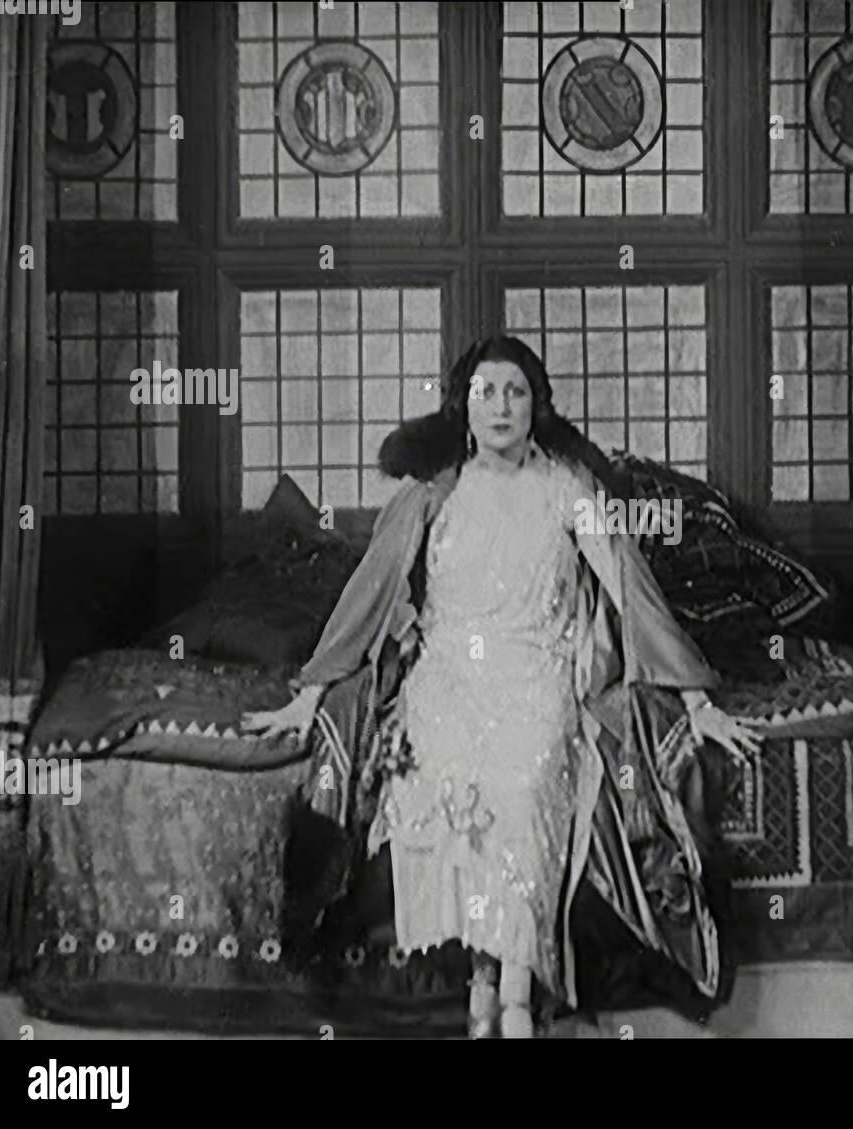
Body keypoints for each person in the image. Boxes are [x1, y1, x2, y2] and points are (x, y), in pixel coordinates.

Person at [243, 335, 761, 1038]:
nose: (500, 406)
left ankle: (509, 990)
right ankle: (491, 982)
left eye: (515, 391)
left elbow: (628, 586)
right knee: (451, 779)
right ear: (463, 406)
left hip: (538, 673)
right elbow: (371, 590)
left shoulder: (568, 488)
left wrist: (693, 696)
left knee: (522, 787)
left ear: (535, 405)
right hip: (447, 678)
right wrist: (315, 687)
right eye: (486, 392)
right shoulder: (432, 492)